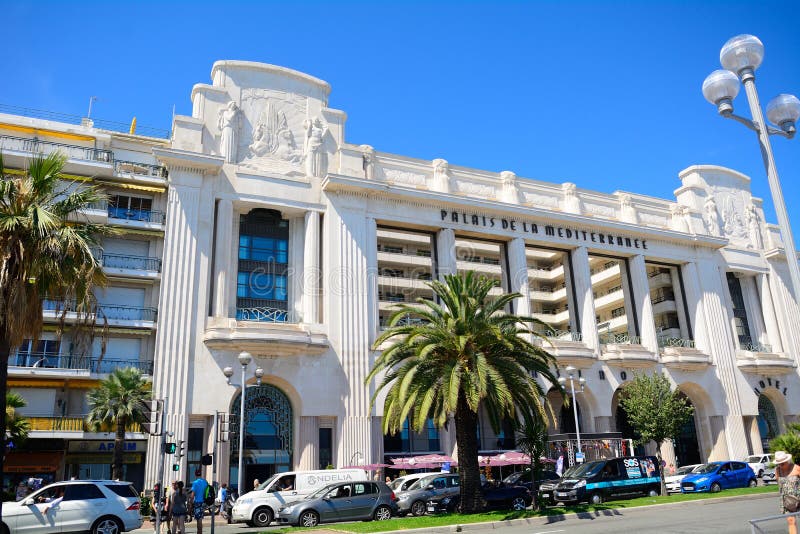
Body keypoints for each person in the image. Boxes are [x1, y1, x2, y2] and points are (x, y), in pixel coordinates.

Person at [777, 451, 800, 534]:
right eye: (778, 463)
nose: (780, 465)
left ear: (787, 461)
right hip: (787, 501)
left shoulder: (796, 468)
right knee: (791, 521)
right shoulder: (778, 470)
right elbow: (780, 486)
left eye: (782, 463)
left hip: (798, 498)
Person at [190, 469, 209, 534]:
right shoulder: (205, 482)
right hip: (204, 502)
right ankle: (200, 532)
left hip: (197, 502)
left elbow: (192, 495)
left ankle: (199, 532)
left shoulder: (195, 483)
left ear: (195, 475)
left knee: (199, 520)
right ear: (201, 474)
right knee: (200, 518)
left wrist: (190, 502)